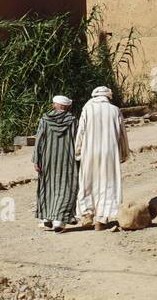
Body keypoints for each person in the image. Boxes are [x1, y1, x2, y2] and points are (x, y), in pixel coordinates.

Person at [74, 85, 130, 231]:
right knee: (108, 184)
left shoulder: (87, 108)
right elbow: (122, 134)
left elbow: (81, 131)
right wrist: (124, 153)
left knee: (87, 181)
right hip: (109, 153)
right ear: (108, 97)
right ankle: (101, 219)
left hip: (89, 152)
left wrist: (78, 151)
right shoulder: (114, 110)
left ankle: (87, 214)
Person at [32, 96, 78, 232]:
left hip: (47, 159)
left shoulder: (44, 120)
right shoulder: (73, 121)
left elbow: (39, 140)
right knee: (66, 188)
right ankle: (59, 221)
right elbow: (77, 139)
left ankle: (47, 218)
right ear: (66, 107)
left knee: (47, 187)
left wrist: (36, 159)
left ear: (55, 105)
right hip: (67, 160)